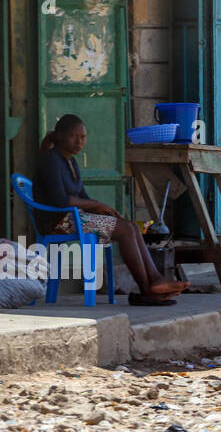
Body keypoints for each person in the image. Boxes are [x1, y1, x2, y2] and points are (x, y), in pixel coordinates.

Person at [34, 114, 188, 303]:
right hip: (56, 222)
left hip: (73, 218)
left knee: (129, 226)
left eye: (83, 137)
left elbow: (82, 197)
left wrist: (102, 209)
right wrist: (97, 205)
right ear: (59, 136)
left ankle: (154, 281)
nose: (79, 141)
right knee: (124, 230)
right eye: (74, 136)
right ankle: (147, 289)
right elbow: (60, 201)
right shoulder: (50, 160)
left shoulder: (71, 162)